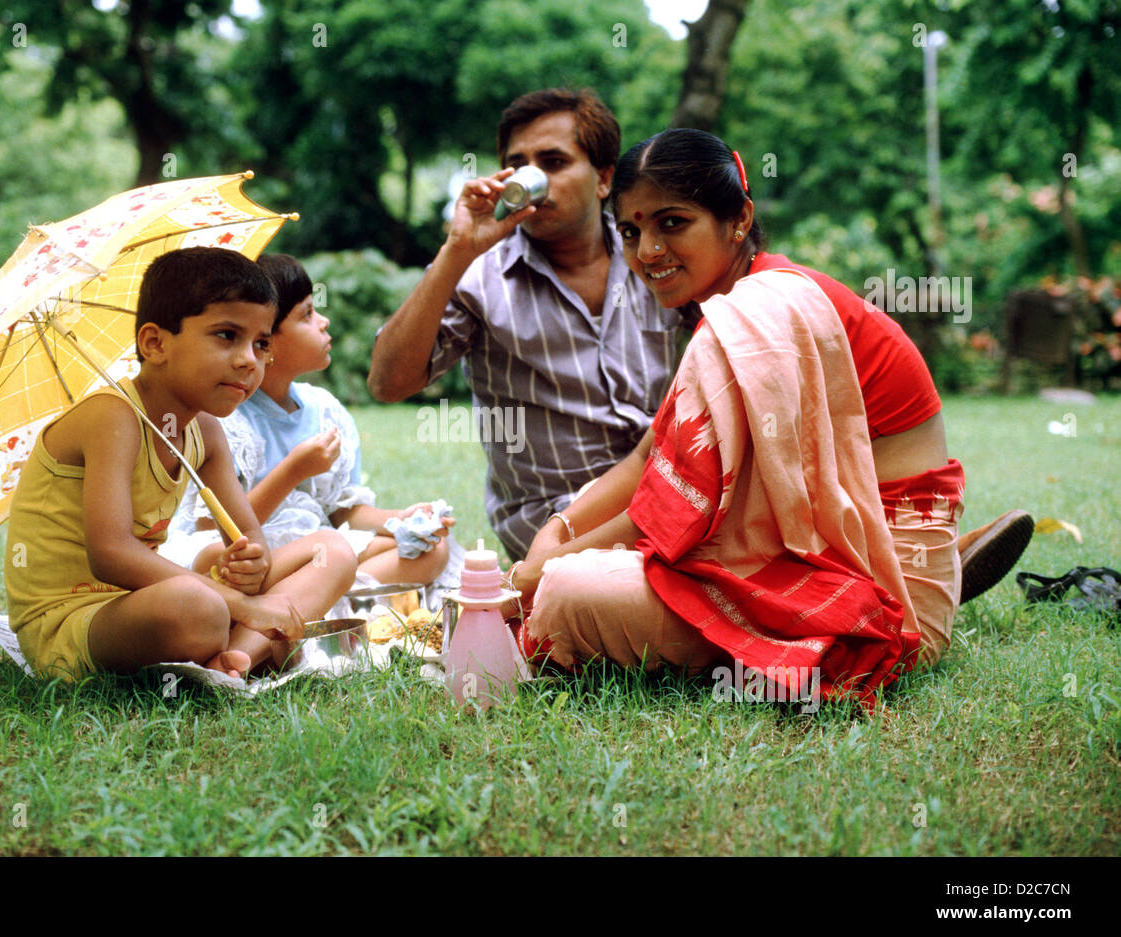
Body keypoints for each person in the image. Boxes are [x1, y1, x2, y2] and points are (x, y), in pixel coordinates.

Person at [507, 129, 1023, 702]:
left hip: (889, 609)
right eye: (630, 231)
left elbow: (671, 512)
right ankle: (938, 566)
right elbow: (647, 459)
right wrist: (558, 530)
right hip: (857, 542)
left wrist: (544, 574)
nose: (646, 250)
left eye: (672, 222)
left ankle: (905, 597)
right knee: (580, 555)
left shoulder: (763, 314)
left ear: (739, 220)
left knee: (572, 594)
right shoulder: (744, 300)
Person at [4, 247, 357, 682]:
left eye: (261, 342)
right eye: (227, 335)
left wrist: (251, 564)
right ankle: (237, 637)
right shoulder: (112, 417)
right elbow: (110, 555)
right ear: (155, 343)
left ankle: (234, 661)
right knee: (199, 609)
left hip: (147, 599)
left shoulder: (205, 430)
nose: (250, 358)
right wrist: (244, 605)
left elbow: (249, 538)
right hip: (75, 618)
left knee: (332, 550)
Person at [368, 88, 688, 561]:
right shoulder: (479, 275)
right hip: (554, 522)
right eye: (520, 166)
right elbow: (387, 384)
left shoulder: (653, 258)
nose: (533, 178)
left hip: (662, 489)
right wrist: (457, 249)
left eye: (553, 162)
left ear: (603, 179)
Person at [161, 253, 454, 587]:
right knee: (223, 561)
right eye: (307, 315)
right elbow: (216, 531)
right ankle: (318, 596)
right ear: (267, 341)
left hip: (320, 552)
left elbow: (343, 511)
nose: (323, 322)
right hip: (253, 559)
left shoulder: (325, 410)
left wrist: (401, 520)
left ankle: (317, 595)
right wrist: (293, 471)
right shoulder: (226, 420)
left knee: (432, 550)